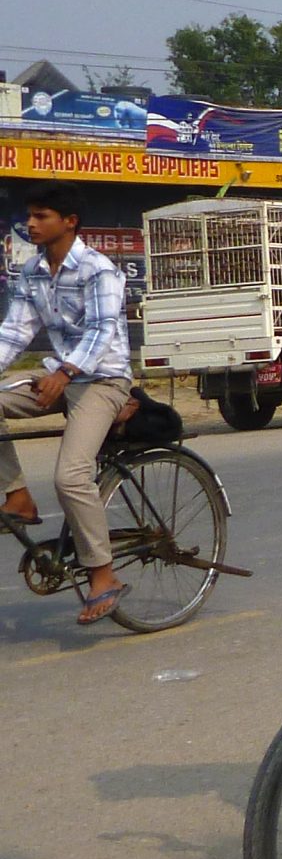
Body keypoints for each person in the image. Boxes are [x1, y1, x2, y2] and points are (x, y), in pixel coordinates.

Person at [0, 184, 134, 625]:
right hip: (60, 375)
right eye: (30, 216)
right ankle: (17, 496)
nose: (31, 224)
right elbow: (15, 333)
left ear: (69, 221)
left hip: (102, 379)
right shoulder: (34, 270)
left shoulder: (99, 269)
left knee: (71, 476)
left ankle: (103, 574)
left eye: (41, 216)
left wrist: (65, 373)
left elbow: (100, 332)